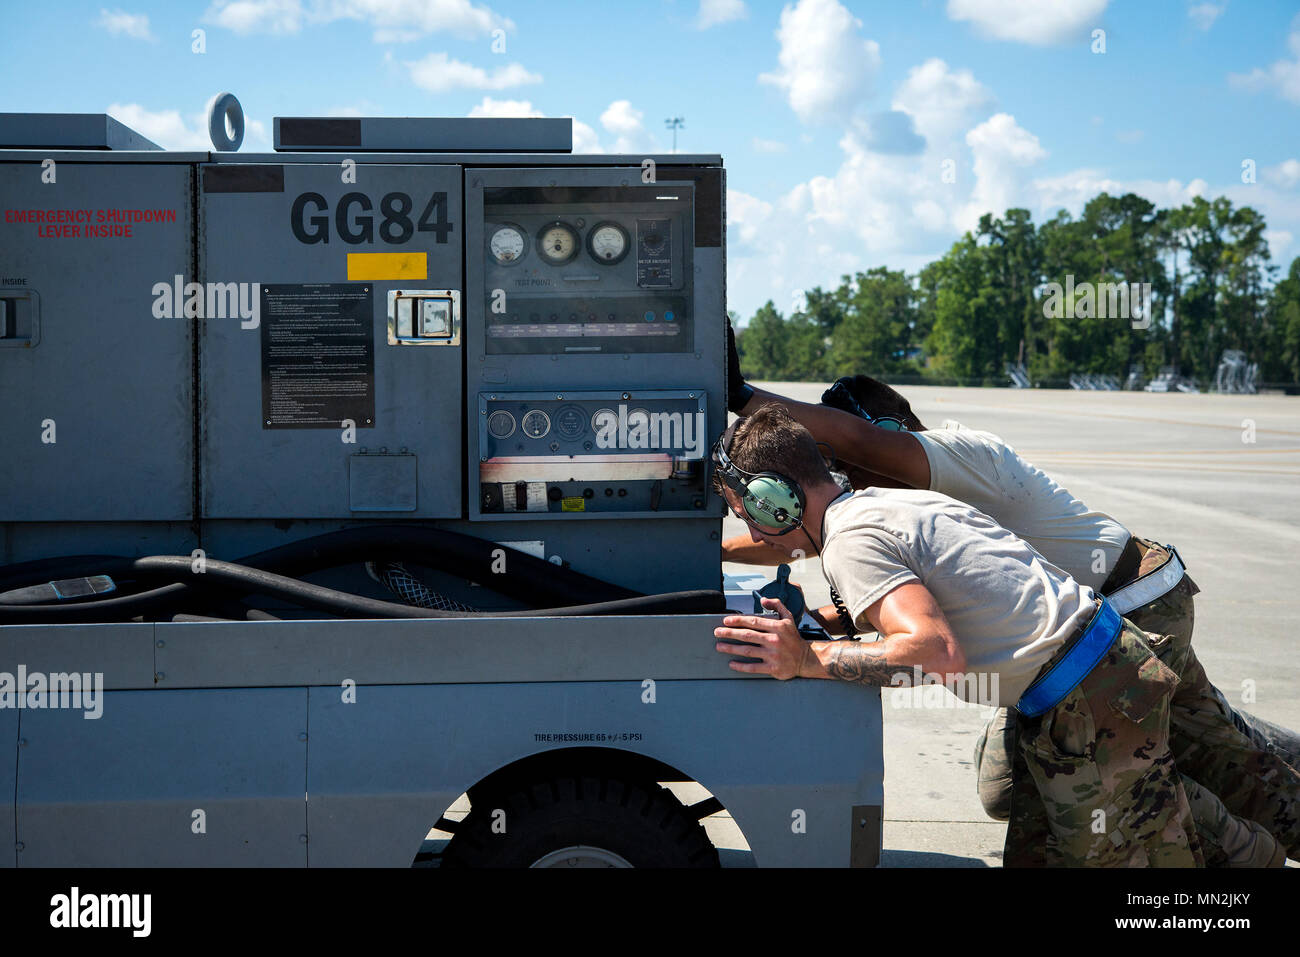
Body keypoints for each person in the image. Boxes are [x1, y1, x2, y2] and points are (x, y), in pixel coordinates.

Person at [723, 333, 1300, 864]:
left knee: (1213, 772)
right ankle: (1185, 810)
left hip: (1131, 607)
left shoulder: (946, 462)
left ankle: (1236, 847)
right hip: (1086, 648)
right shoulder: (882, 508)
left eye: (853, 460)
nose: (850, 472)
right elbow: (822, 552)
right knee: (1026, 794)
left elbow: (930, 646)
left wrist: (806, 659)